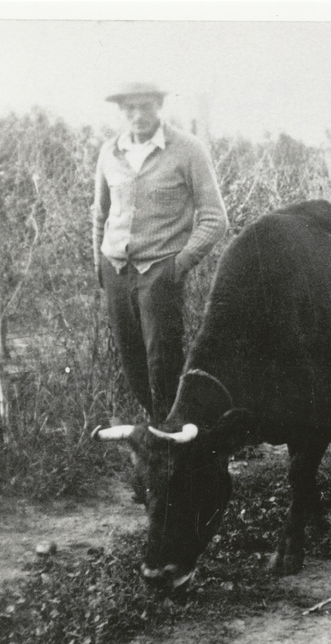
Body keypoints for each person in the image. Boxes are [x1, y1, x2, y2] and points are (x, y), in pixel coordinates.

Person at [92, 82, 228, 421]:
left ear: (159, 107)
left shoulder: (187, 149)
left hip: (160, 271)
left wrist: (179, 264)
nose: (138, 115)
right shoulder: (110, 151)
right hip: (116, 270)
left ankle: (175, 438)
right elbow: (100, 214)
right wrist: (100, 263)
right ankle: (155, 431)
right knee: (132, 360)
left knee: (163, 363)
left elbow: (215, 218)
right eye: (130, 109)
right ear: (120, 111)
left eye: (146, 107)